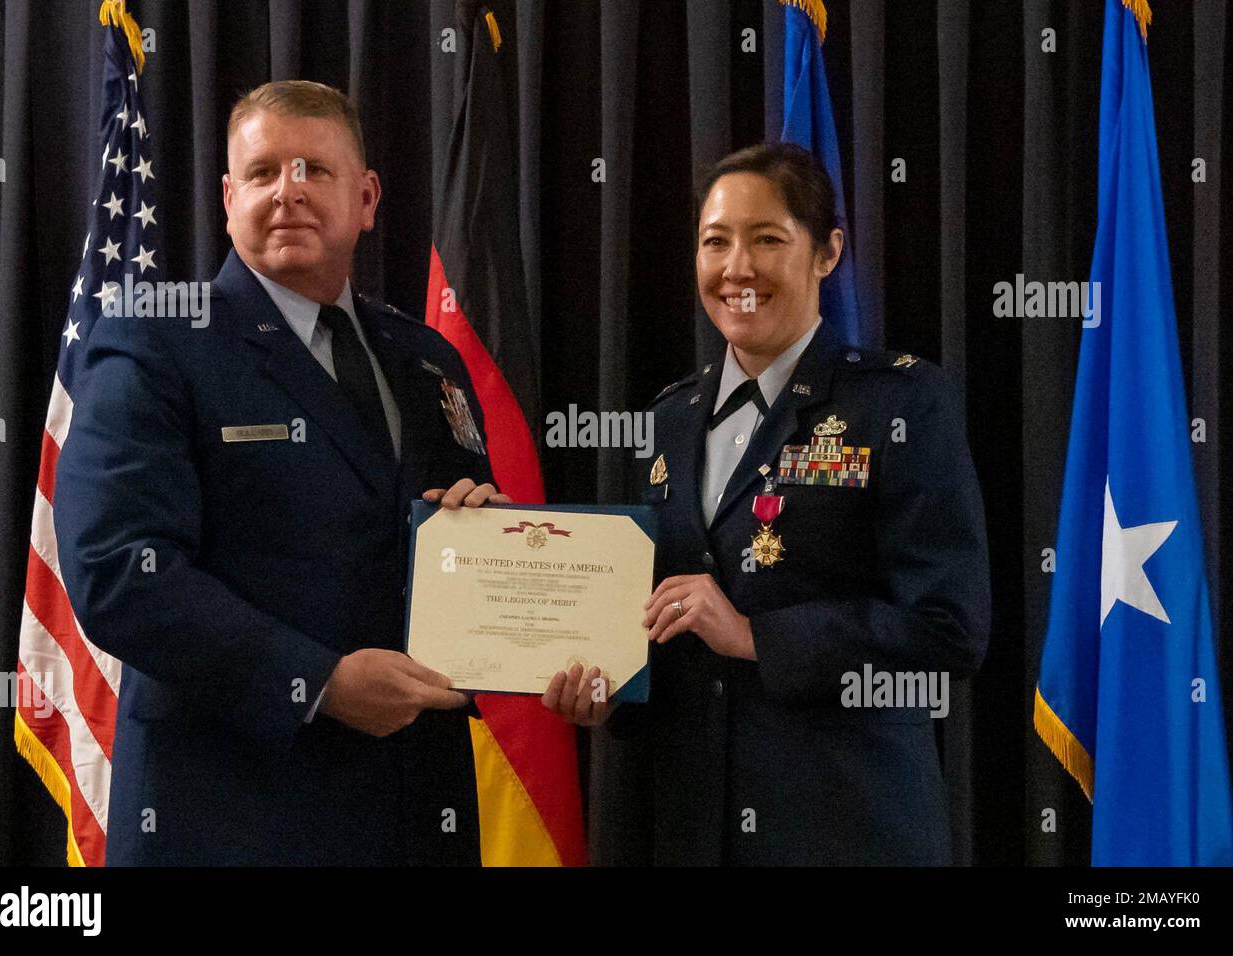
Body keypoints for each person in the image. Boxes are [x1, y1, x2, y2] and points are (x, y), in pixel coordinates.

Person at [54, 80, 507, 865]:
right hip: (229, 818)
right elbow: (119, 573)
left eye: (313, 170)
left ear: (366, 199)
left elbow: (461, 551)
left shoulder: (426, 359)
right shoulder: (156, 340)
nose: (287, 192)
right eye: (263, 173)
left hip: (412, 809)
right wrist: (320, 682)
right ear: (229, 199)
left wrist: (496, 556)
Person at [544, 142, 991, 865]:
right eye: (715, 242)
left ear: (826, 252)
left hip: (848, 833)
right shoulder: (666, 420)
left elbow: (950, 632)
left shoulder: (900, 404)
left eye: (767, 240)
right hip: (690, 831)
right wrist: (608, 692)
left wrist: (756, 636)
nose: (737, 268)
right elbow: (650, 635)